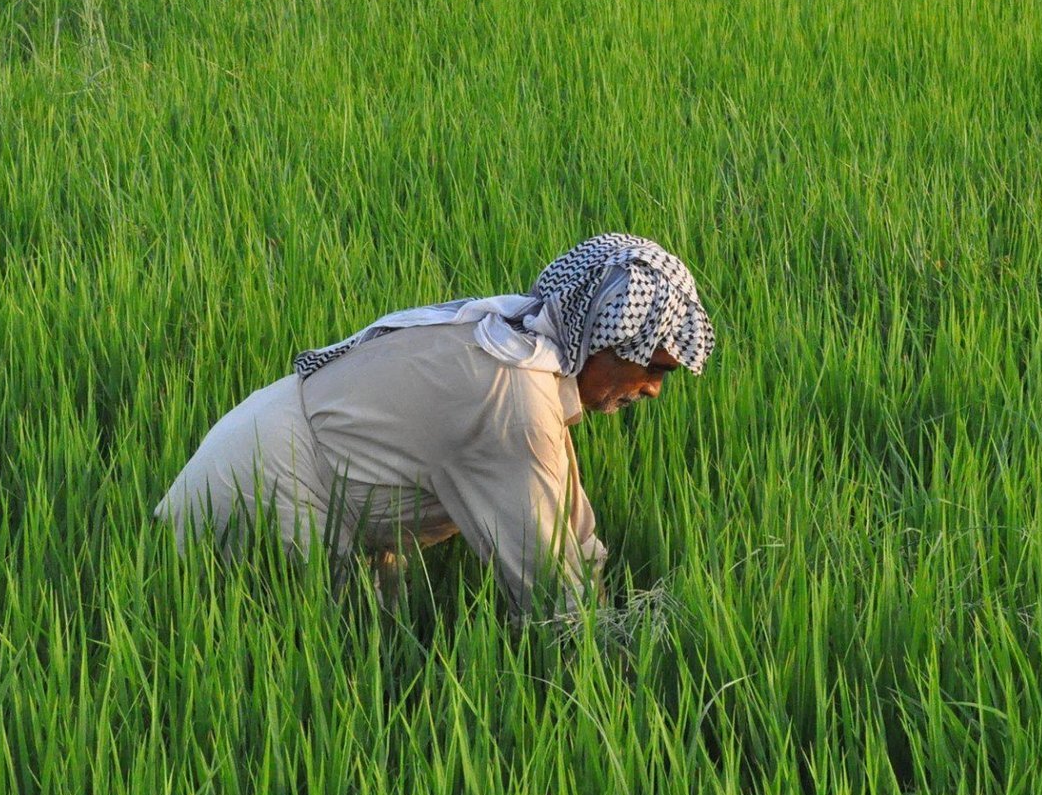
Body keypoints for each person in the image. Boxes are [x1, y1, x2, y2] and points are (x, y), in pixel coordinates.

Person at [154, 233, 714, 616]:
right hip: (265, 485)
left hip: (297, 471)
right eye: (654, 367)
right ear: (604, 336)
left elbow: (564, 515)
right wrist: (608, 666)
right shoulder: (509, 396)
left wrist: (603, 598)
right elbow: (545, 588)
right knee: (314, 671)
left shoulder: (521, 355)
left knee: (376, 647)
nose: (653, 388)